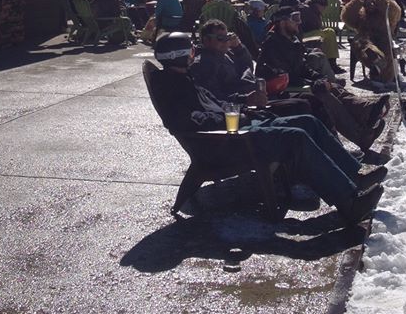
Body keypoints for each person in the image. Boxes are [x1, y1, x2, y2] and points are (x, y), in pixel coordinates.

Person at [150, 32, 386, 225]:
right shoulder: (171, 87)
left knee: (307, 120)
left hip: (239, 128)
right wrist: (232, 118)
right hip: (226, 142)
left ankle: (354, 176)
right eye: (189, 49)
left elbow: (215, 103)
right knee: (296, 137)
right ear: (178, 55)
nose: (194, 53)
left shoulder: (183, 77)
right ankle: (350, 204)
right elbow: (191, 121)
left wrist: (243, 105)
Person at [257, 6, 389, 152]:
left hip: (297, 83)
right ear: (282, 22)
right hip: (282, 90)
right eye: (294, 18)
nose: (298, 23)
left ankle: (367, 110)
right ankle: (360, 135)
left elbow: (303, 68)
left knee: (332, 86)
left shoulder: (292, 40)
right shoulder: (273, 45)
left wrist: (319, 77)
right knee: (325, 97)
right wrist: (313, 83)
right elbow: (283, 75)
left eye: (299, 18)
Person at [341, 0, 402, 83]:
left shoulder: (384, 14)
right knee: (365, 47)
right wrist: (357, 2)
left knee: (389, 49)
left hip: (383, 38)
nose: (370, 6)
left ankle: (387, 75)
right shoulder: (361, 15)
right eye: (367, 4)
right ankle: (376, 64)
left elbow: (396, 11)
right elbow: (346, 17)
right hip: (366, 40)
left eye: (372, 3)